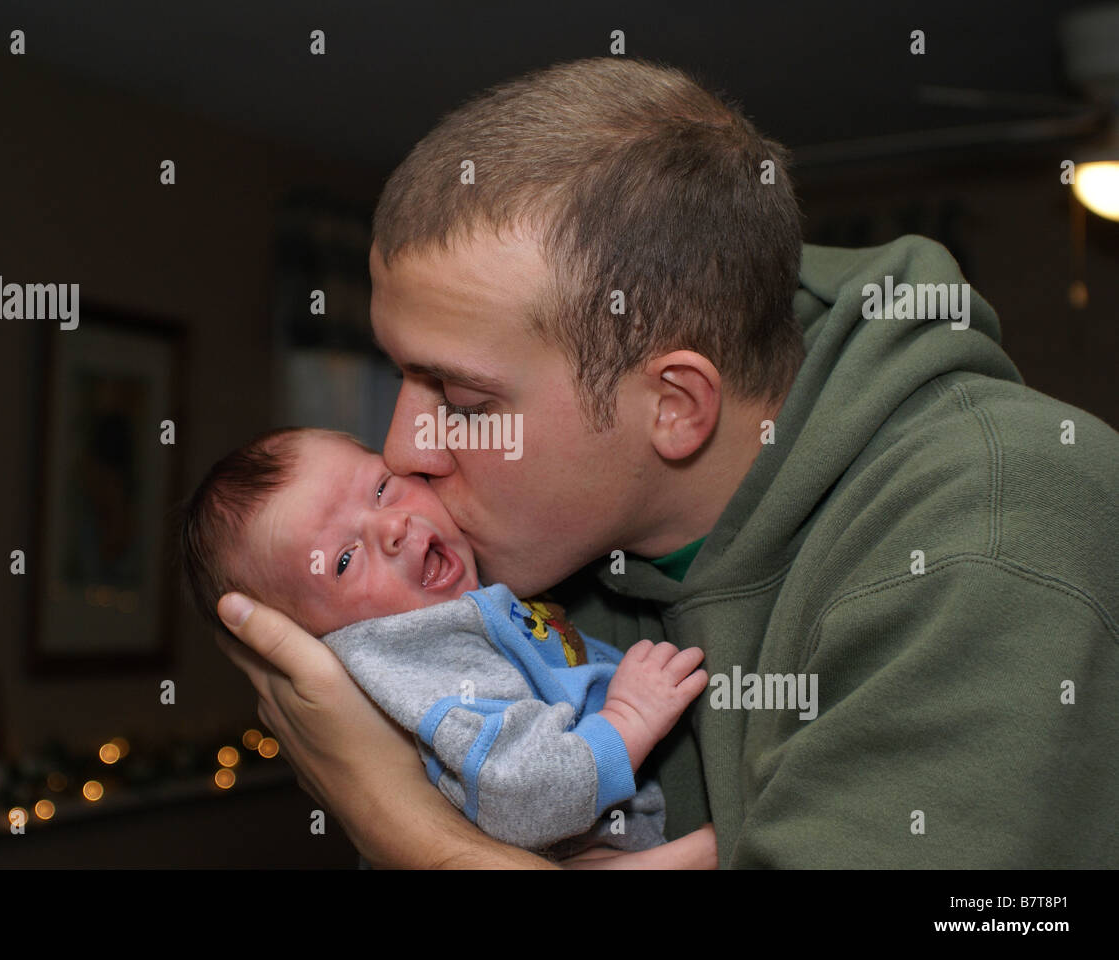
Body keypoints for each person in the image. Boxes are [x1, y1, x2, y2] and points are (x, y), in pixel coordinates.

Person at [216, 57, 1119, 868]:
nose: (406, 449)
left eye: (463, 402)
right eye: (400, 379)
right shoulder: (519, 562)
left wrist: (391, 813)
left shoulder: (998, 539)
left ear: (675, 406)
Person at [180, 426, 709, 855]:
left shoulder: (470, 593)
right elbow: (521, 793)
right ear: (315, 642)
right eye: (342, 560)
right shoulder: (416, 657)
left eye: (382, 488)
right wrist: (629, 720)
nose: (389, 526)